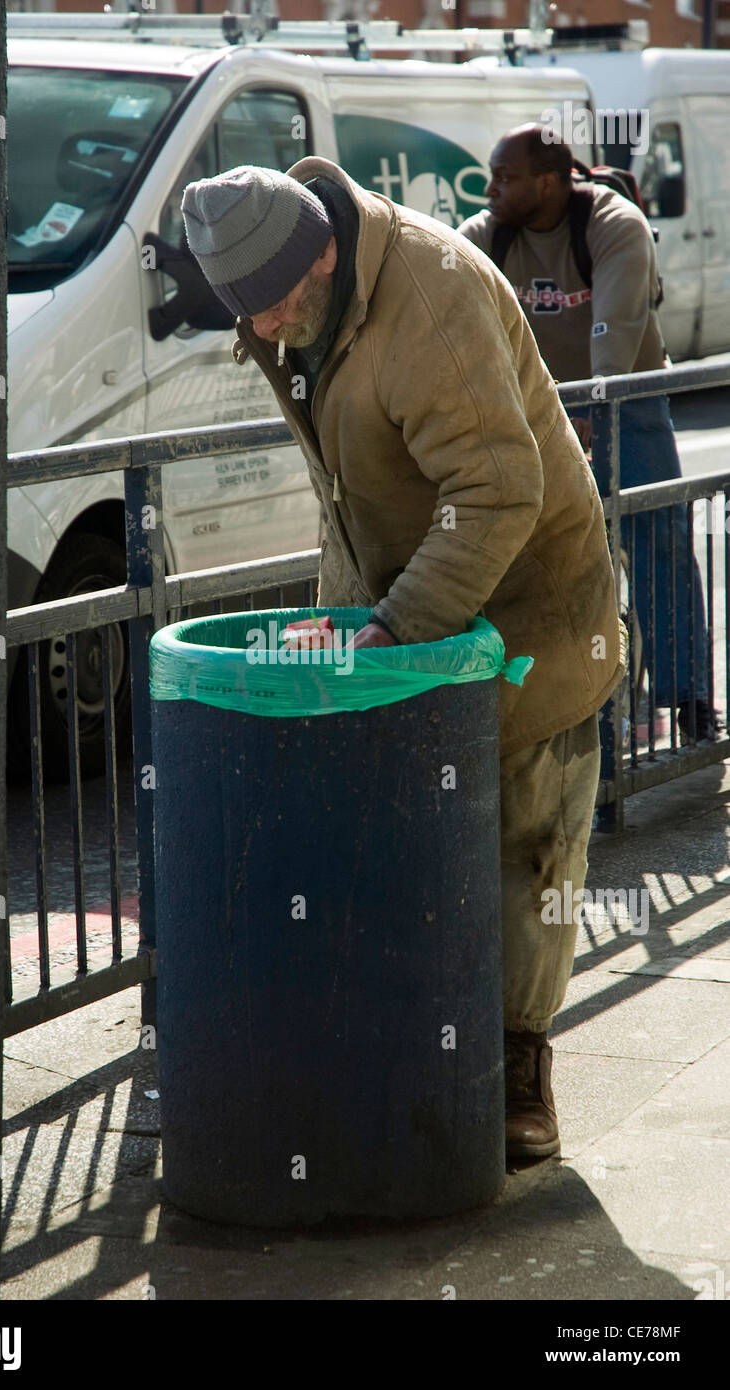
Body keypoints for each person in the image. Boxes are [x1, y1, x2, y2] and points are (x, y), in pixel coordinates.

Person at [181, 159, 626, 1161]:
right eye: (242, 314)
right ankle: (404, 1038)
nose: (255, 331)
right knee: (392, 839)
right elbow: (351, 474)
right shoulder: (290, 290)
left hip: (532, 618)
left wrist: (389, 630)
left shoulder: (430, 293)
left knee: (529, 844)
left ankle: (518, 1061)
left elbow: (497, 491)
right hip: (404, 600)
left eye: (271, 308)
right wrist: (347, 618)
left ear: (327, 256)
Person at [458, 124, 716, 742]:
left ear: (549, 182)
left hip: (626, 399)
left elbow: (618, 331)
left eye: (505, 176)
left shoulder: (612, 223)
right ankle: (562, 709)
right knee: (546, 554)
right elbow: (460, 325)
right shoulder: (485, 235)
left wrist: (590, 408)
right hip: (537, 410)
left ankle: (689, 699)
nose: (489, 188)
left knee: (657, 538)